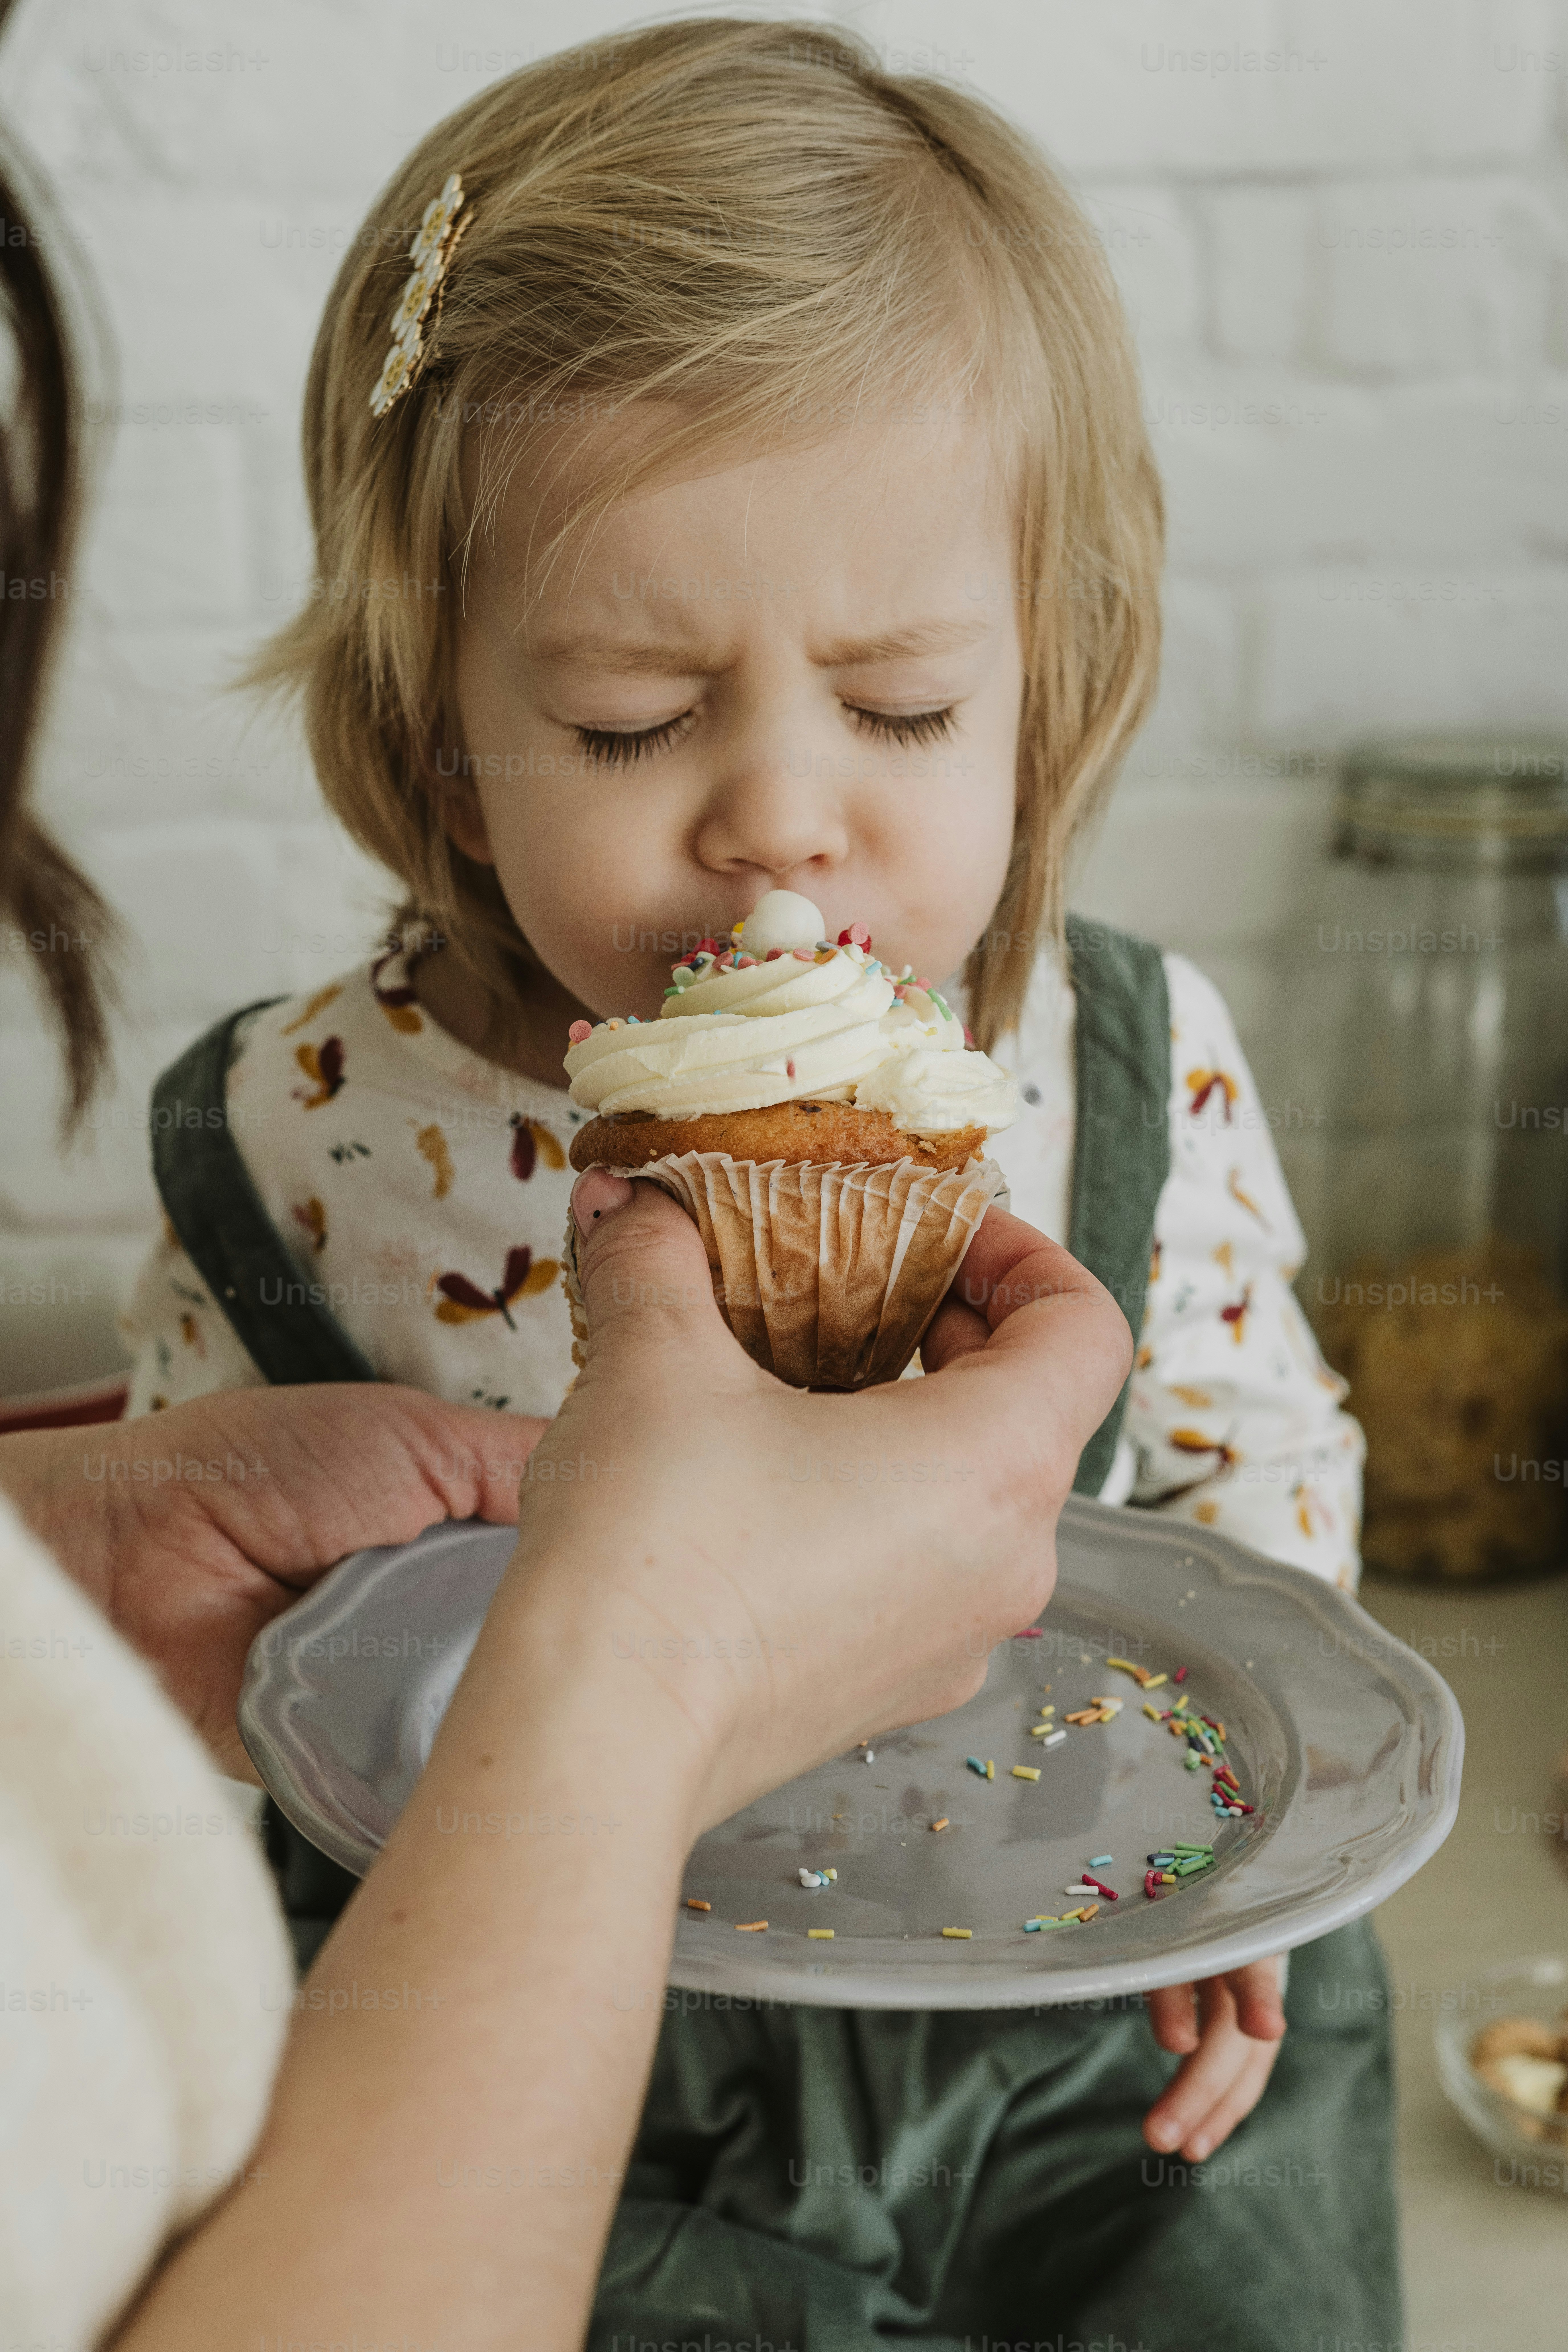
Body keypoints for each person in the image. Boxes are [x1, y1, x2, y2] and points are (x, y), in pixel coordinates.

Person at [110, 22, 1398, 2351]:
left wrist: (1261, 1872)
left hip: (1080, 1967)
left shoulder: (1125, 1070)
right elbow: (183, 1698)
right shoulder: (296, 1143)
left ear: (1046, 692)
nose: (781, 817)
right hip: (541, 2042)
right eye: (623, 723)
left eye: (902, 708)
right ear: (449, 751)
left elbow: (1241, 1446)